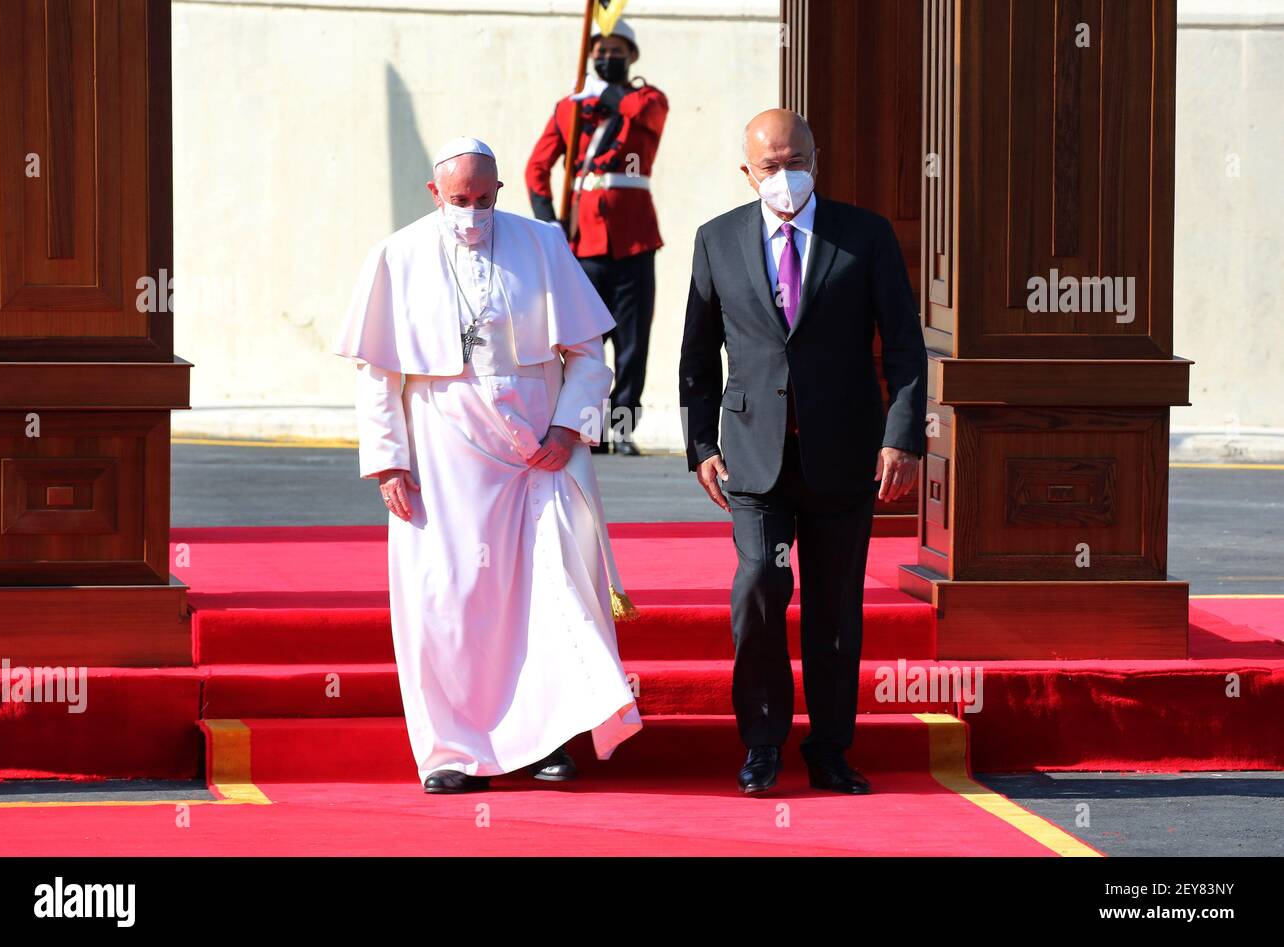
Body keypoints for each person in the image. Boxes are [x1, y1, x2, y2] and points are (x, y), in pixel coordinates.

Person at [335, 137, 642, 794]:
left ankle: (551, 739)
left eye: (483, 198)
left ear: (500, 191)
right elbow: (378, 376)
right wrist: (389, 463)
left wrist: (569, 427)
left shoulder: (542, 243)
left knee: (549, 589)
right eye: (459, 199)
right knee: (448, 598)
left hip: (540, 453)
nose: (472, 212)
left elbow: (590, 356)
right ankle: (454, 751)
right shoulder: (396, 256)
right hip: (442, 458)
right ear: (434, 193)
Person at [678, 109, 926, 796]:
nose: (784, 176)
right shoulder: (717, 239)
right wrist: (700, 444)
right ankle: (762, 744)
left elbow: (904, 345)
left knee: (835, 604)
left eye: (796, 163)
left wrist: (902, 435)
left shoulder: (865, 235)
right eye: (770, 165)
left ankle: (830, 748)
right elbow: (698, 355)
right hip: (753, 456)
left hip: (844, 452)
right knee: (761, 583)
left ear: (816, 162)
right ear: (747, 171)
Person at [526, 18, 667, 455]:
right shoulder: (570, 108)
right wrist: (549, 222)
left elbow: (644, 113)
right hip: (582, 245)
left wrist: (605, 94)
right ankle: (590, 430)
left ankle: (621, 431)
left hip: (634, 241)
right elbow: (536, 168)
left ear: (632, 56)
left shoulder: (649, 100)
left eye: (616, 52)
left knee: (631, 345)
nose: (607, 58)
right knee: (584, 345)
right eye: (600, 52)